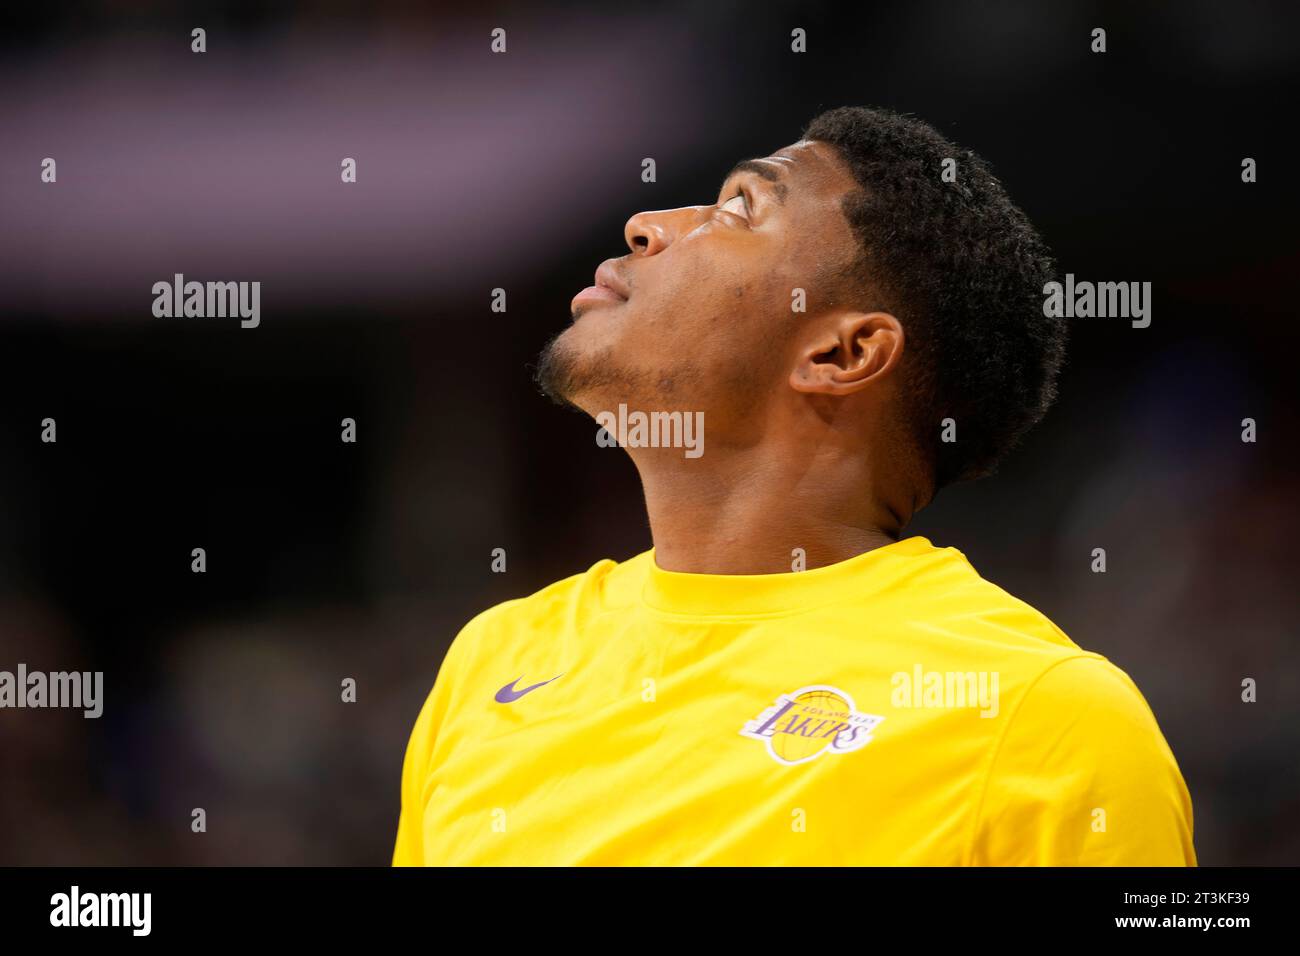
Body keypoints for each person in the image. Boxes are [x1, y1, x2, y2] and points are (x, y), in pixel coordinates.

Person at [393, 106, 1195, 866]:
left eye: (740, 210)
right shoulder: (493, 659)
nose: (648, 225)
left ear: (843, 354)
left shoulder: (1043, 719)